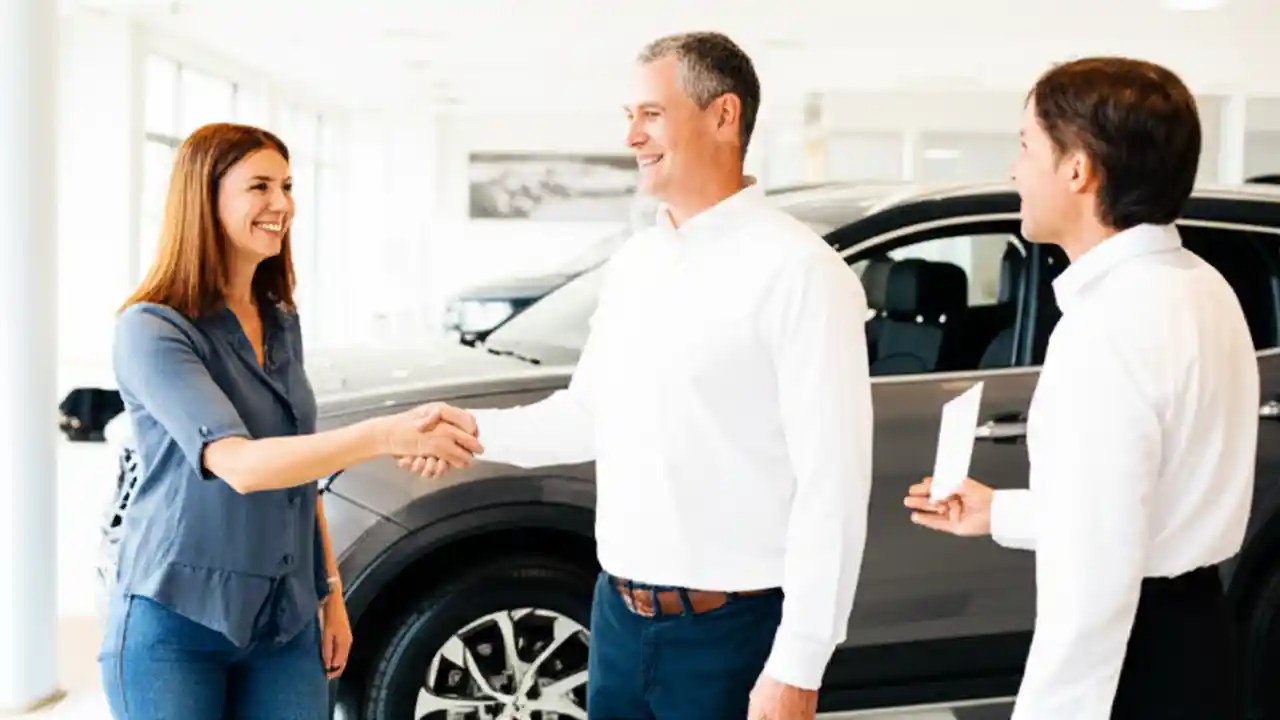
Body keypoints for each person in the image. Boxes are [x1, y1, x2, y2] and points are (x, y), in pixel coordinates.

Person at [401, 32, 873, 720]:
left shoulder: (801, 273)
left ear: (723, 116)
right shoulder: (637, 264)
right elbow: (589, 413)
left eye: (650, 114)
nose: (631, 137)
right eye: (629, 115)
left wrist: (799, 663)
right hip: (617, 620)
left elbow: (833, 483)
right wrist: (472, 428)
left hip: (731, 635)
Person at [903, 57, 1258, 720]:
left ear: (1077, 169)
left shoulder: (1109, 323)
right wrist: (1000, 514)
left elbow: (1097, 570)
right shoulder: (1202, 287)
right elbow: (1133, 508)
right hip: (1199, 640)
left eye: (1025, 145)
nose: (1014, 170)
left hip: (1132, 660)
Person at [100, 123, 483, 720]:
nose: (281, 204)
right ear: (205, 198)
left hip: (284, 621)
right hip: (176, 620)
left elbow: (298, 472)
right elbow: (242, 465)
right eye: (260, 186)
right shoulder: (153, 329)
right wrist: (384, 433)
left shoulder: (279, 321)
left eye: (286, 185)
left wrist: (328, 593)